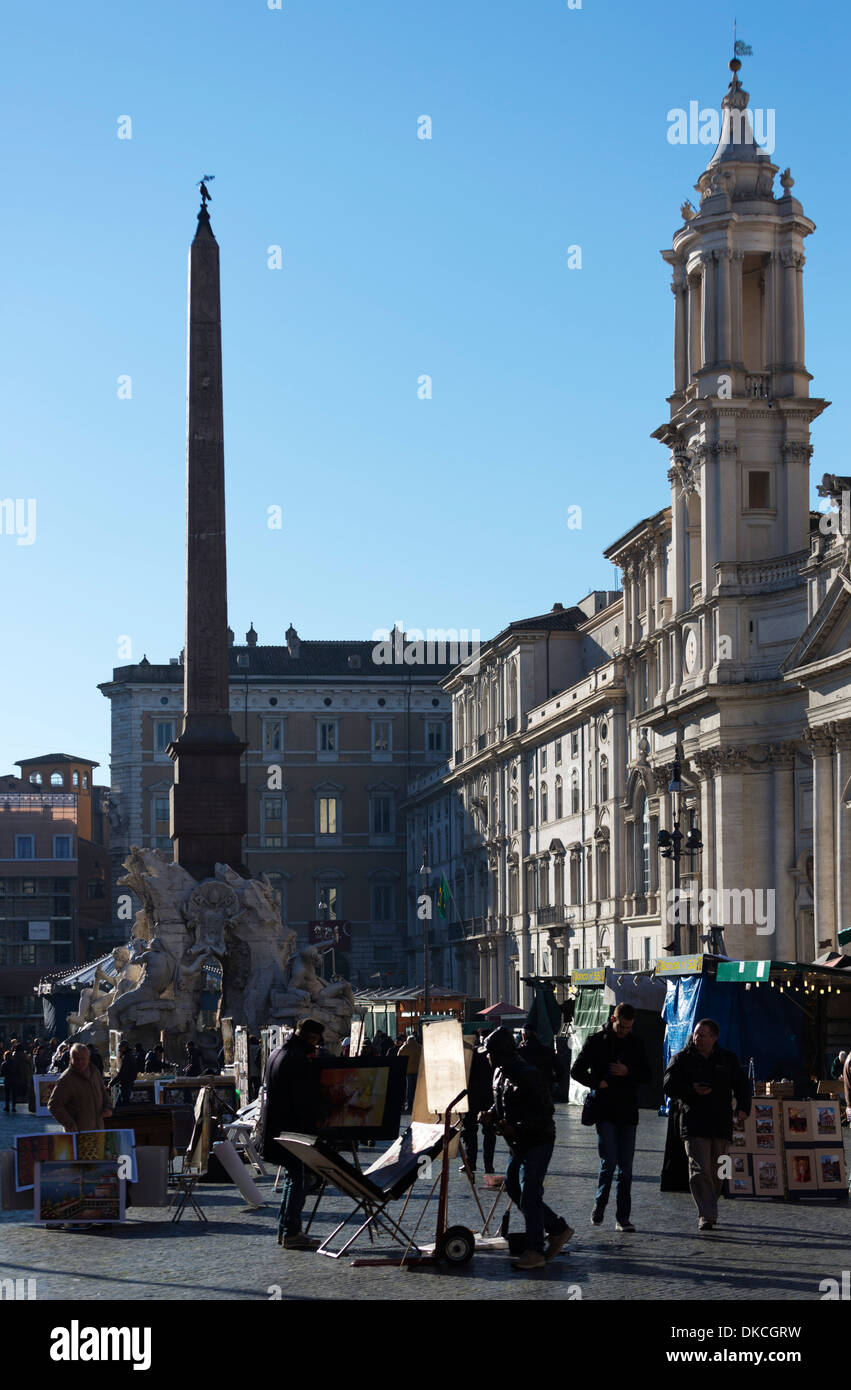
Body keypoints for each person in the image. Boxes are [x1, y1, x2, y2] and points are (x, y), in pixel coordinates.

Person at [479, 1027, 573, 1270]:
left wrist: (516, 1129)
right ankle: (557, 1229)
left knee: (530, 1192)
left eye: (490, 1053)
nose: (487, 1058)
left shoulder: (530, 1074)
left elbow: (545, 1113)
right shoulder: (499, 1073)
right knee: (513, 1187)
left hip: (538, 1141)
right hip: (518, 1143)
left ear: (501, 1053)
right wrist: (490, 1114)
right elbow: (499, 1100)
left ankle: (535, 1250)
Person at [664, 1018, 751, 1231]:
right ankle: (706, 1215)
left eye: (702, 1035)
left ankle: (712, 1204)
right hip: (694, 1124)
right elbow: (668, 1085)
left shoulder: (727, 1059)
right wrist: (691, 1089)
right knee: (699, 1169)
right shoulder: (682, 1059)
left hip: (721, 1124)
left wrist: (743, 1108)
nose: (696, 1038)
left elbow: (742, 1085)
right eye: (695, 1034)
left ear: (714, 1037)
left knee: (720, 1170)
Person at [570, 1002, 651, 1231]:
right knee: (610, 1161)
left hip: (628, 1110)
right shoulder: (596, 1041)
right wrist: (597, 1082)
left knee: (626, 1167)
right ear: (614, 1020)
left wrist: (628, 1072)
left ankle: (622, 1217)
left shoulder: (636, 1043)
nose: (625, 1031)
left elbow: (647, 1075)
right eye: (622, 1027)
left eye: (629, 1028)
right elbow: (576, 1070)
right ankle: (600, 1203)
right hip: (605, 1109)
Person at [259, 1018, 325, 1250]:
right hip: (292, 1130)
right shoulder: (297, 1059)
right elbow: (302, 1100)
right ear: (310, 1037)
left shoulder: (278, 1052)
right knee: (298, 1179)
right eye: (315, 1040)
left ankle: (285, 1229)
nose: (317, 1045)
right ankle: (291, 1231)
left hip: (277, 1128)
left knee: (292, 1178)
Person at [48, 1043, 113, 1132]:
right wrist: (70, 1124)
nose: (80, 1062)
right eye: (76, 1059)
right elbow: (54, 1105)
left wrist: (108, 1107)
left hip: (98, 1130)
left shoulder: (94, 1072)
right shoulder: (66, 1079)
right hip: (78, 1133)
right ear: (71, 1059)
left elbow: (104, 1092)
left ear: (88, 1058)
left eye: (83, 1059)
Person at [461, 1041, 497, 1179]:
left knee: (470, 1132)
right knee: (489, 1133)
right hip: (488, 1098)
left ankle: (470, 1163)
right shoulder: (491, 1056)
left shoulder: (469, 1057)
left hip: (472, 1099)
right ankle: (489, 1165)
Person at [518, 1027, 565, 1094]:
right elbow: (561, 1071)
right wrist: (551, 1080)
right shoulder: (548, 1051)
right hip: (545, 1090)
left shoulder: (519, 1053)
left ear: (523, 1036)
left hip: (524, 1092)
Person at [397, 1029, 422, 1112]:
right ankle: (417, 1105)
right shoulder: (419, 1047)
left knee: (409, 1089)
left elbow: (399, 1058)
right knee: (416, 1089)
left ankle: (410, 1105)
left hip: (408, 1072)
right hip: (417, 1071)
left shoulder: (403, 1048)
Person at [111, 1041, 138, 1106]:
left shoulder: (127, 1057)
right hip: (126, 1083)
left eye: (119, 1047)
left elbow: (122, 1073)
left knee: (123, 1105)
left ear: (124, 1048)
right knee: (120, 1104)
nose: (118, 1049)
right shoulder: (128, 1056)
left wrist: (112, 1083)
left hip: (126, 1083)